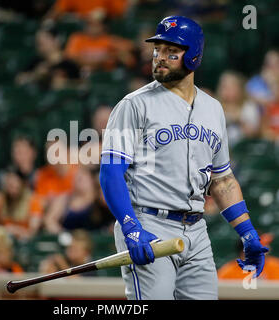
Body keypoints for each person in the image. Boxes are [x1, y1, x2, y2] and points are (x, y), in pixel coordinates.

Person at [99, 16, 268, 300]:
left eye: (171, 52)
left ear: (194, 57)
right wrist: (131, 226)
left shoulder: (213, 109)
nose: (160, 58)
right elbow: (110, 172)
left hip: (197, 229)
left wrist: (248, 232)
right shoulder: (133, 105)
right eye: (157, 50)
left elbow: (223, 180)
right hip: (149, 222)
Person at [64, 11, 135, 75]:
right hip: (78, 73)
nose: (93, 27)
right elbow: (72, 57)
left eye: (97, 24)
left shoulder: (109, 40)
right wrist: (102, 60)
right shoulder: (77, 38)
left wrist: (115, 55)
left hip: (104, 73)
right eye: (90, 24)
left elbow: (131, 48)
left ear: (103, 26)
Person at [0, 166, 44, 240]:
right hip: (6, 241)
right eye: (9, 183)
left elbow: (33, 231)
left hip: (26, 242)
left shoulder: (33, 200)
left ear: (22, 183)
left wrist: (15, 230)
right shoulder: (2, 200)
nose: (11, 186)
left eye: (14, 182)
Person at [15, 27, 80, 90]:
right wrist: (35, 75)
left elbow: (82, 85)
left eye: (45, 40)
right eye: (38, 42)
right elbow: (18, 80)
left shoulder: (70, 63)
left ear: (56, 40)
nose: (40, 44)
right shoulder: (36, 62)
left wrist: (65, 84)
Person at [216, 71, 262, 147]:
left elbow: (253, 133)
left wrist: (238, 120)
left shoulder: (248, 106)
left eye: (230, 87)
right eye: (224, 87)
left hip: (244, 149)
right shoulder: (215, 106)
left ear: (239, 89)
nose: (226, 91)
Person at [44, 166, 96, 233]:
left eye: (81, 179)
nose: (77, 181)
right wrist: (64, 235)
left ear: (91, 180)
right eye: (75, 178)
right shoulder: (65, 199)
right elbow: (49, 220)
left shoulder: (99, 198)